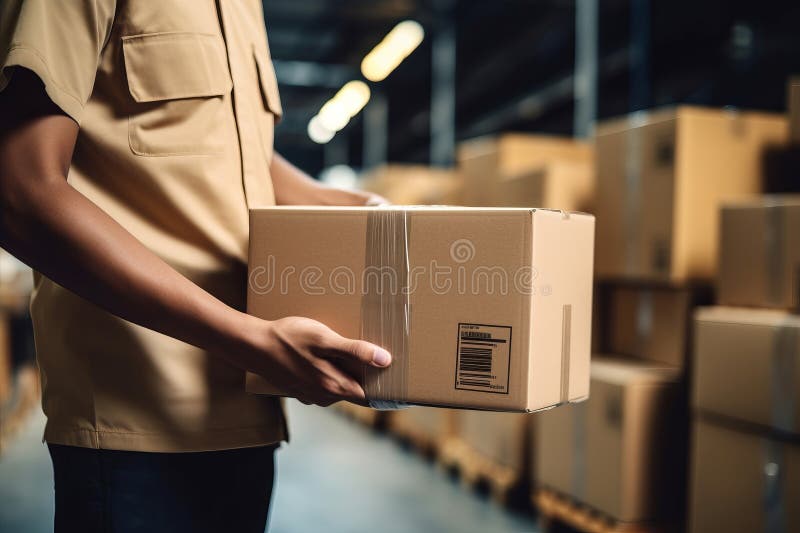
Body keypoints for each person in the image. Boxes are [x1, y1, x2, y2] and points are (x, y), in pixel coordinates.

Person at [0, 1, 391, 531]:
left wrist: (371, 212)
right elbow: (20, 190)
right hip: (135, 423)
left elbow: (228, 148)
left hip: (248, 410)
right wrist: (252, 340)